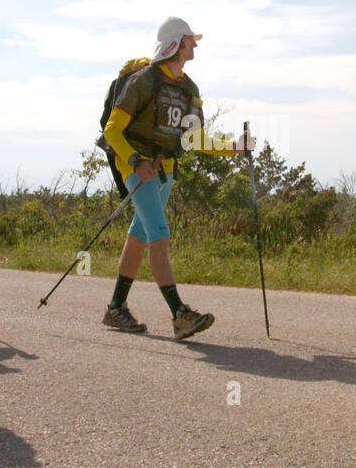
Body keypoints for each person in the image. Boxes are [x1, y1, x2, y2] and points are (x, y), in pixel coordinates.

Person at [100, 17, 253, 340]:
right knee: (159, 235)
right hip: (137, 167)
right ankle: (179, 315)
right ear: (175, 43)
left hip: (165, 168)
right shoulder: (144, 81)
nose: (195, 44)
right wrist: (135, 160)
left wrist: (234, 149)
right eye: (189, 40)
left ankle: (116, 307)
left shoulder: (189, 88)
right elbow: (112, 130)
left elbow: (194, 139)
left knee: (140, 235)